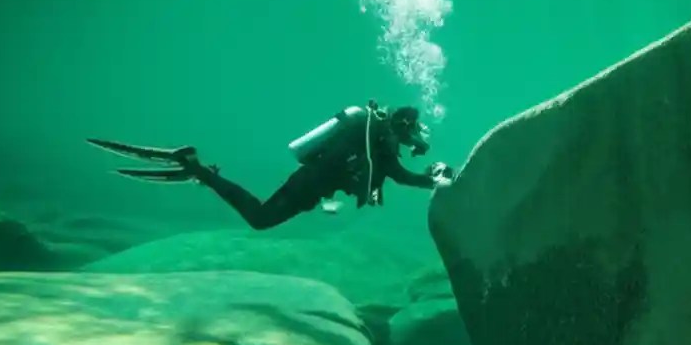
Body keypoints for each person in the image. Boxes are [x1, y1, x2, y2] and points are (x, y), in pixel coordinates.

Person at [87, 101, 455, 230]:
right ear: (405, 127)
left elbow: (372, 174)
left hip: (310, 182)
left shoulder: (375, 133)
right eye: (415, 134)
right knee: (261, 219)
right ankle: (196, 167)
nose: (415, 142)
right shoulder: (382, 139)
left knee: (263, 217)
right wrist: (434, 182)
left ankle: (201, 172)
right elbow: (401, 177)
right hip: (308, 185)